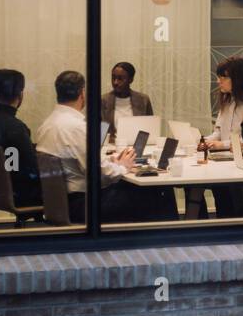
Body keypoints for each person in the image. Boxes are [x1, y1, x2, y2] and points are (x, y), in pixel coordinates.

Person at [36, 70, 175, 224]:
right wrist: (122, 167)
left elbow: (82, 162)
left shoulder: (47, 124)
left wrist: (112, 162)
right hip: (84, 204)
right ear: (82, 93)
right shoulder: (76, 127)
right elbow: (99, 174)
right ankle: (178, 238)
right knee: (158, 190)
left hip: (62, 203)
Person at [197, 57, 243, 217]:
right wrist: (205, 140)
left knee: (229, 196)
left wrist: (220, 145)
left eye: (223, 77)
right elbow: (218, 130)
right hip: (223, 160)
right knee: (207, 188)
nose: (219, 81)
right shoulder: (227, 100)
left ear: (237, 78)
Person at [0, 68, 41, 210]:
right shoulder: (15, 127)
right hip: (26, 194)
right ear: (19, 93)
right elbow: (31, 171)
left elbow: (12, 160)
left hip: (8, 192)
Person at [100, 61, 154, 141]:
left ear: (130, 80)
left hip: (137, 147)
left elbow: (150, 127)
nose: (115, 82)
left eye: (120, 79)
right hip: (110, 148)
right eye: (113, 78)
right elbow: (97, 131)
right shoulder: (103, 100)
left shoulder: (143, 100)